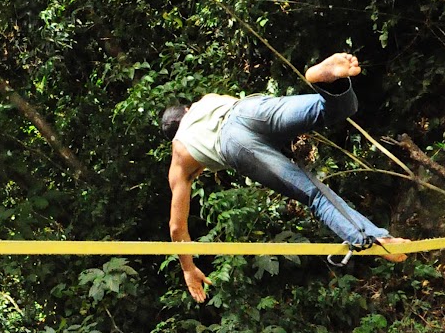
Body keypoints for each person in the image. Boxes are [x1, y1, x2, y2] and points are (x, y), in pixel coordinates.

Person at [163, 51, 406, 303]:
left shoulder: (180, 153)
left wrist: (188, 269)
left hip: (234, 143)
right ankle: (328, 83)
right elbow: (250, 125)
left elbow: (176, 227)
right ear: (187, 109)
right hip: (248, 109)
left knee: (313, 195)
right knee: (329, 109)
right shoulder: (207, 100)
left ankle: (377, 239)